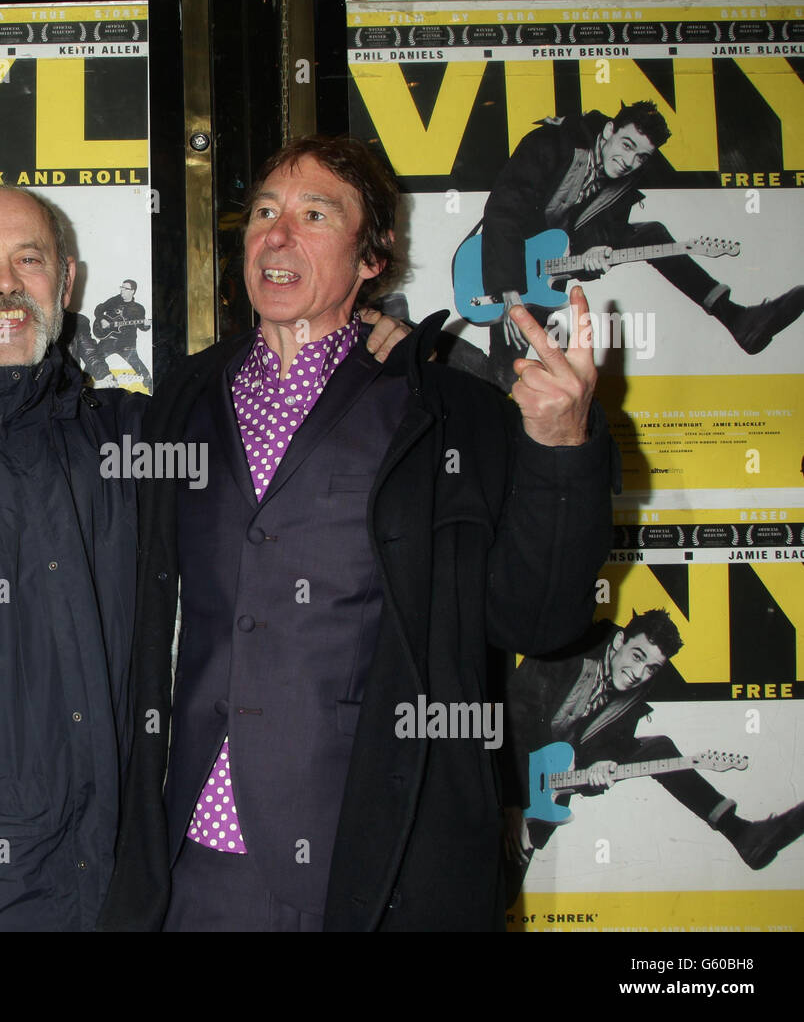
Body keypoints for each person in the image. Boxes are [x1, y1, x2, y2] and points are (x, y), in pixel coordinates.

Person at [0, 182, 410, 932]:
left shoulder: (131, 439)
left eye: (29, 259)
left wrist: (354, 341)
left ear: (67, 283)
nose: (6, 285)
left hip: (102, 888)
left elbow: (266, 442)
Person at [99, 135, 614, 932]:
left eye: (314, 214)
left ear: (373, 256)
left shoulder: (445, 409)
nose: (277, 234)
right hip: (196, 865)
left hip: (376, 870)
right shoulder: (184, 398)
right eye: (265, 211)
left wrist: (561, 447)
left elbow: (538, 621)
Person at [478, 100, 804, 387]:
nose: (629, 160)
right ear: (608, 131)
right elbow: (503, 213)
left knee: (650, 234)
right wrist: (510, 292)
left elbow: (599, 237)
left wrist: (593, 256)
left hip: (554, 267)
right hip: (503, 263)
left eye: (641, 156)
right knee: (506, 373)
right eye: (627, 144)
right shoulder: (552, 144)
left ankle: (735, 317)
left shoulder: (624, 184)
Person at [502, 609, 804, 903]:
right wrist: (516, 802)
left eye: (651, 668)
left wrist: (601, 767)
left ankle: (740, 832)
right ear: (620, 641)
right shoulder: (569, 648)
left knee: (502, 898)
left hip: (548, 795)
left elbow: (605, 747)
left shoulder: (637, 690)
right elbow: (515, 717)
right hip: (502, 778)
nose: (638, 674)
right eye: (637, 656)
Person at [90, 278, 153, 388]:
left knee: (140, 368)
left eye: (125, 288)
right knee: (93, 361)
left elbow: (142, 326)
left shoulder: (138, 308)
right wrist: (102, 319)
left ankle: (152, 389)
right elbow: (99, 309)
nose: (122, 291)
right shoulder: (115, 300)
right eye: (121, 288)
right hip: (109, 340)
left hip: (127, 343)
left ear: (132, 291)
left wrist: (147, 324)